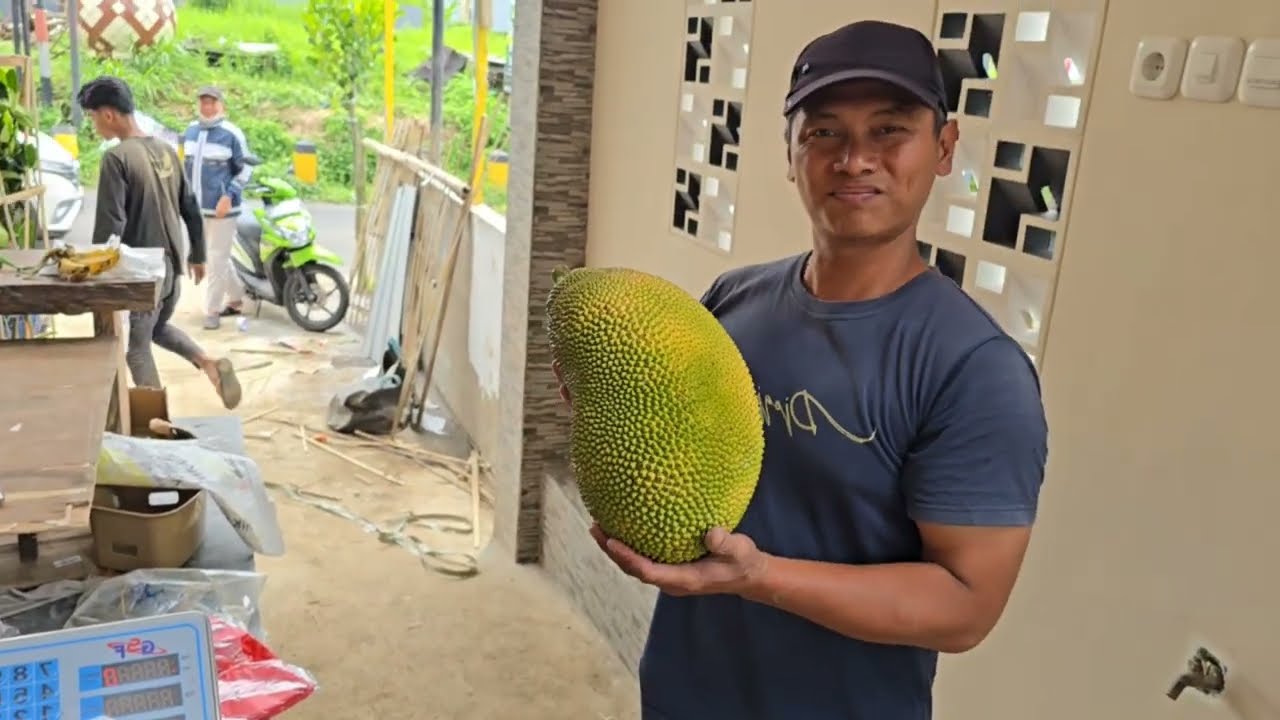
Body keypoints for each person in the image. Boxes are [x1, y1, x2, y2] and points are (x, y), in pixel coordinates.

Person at [555, 20, 1050, 720]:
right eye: (824, 133)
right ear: (790, 153)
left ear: (943, 148)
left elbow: (965, 607)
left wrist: (758, 577)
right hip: (681, 689)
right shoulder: (734, 299)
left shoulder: (974, 370)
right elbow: (669, 452)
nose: (855, 159)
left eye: (888, 131)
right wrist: (607, 392)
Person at [79, 75, 242, 411]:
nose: (94, 125)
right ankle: (209, 364)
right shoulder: (165, 150)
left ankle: (159, 426)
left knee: (136, 351)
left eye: (93, 117)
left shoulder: (117, 158)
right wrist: (197, 255)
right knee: (158, 328)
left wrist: (93, 273)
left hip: (145, 274)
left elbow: (111, 227)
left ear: (109, 114)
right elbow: (191, 209)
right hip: (172, 269)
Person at [181, 85, 254, 330]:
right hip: (198, 209)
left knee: (216, 258)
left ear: (221, 105)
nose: (207, 107)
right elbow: (186, 168)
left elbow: (246, 169)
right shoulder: (191, 132)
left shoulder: (232, 134)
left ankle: (212, 310)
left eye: (212, 102)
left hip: (223, 209)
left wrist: (229, 197)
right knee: (217, 258)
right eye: (203, 102)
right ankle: (235, 298)